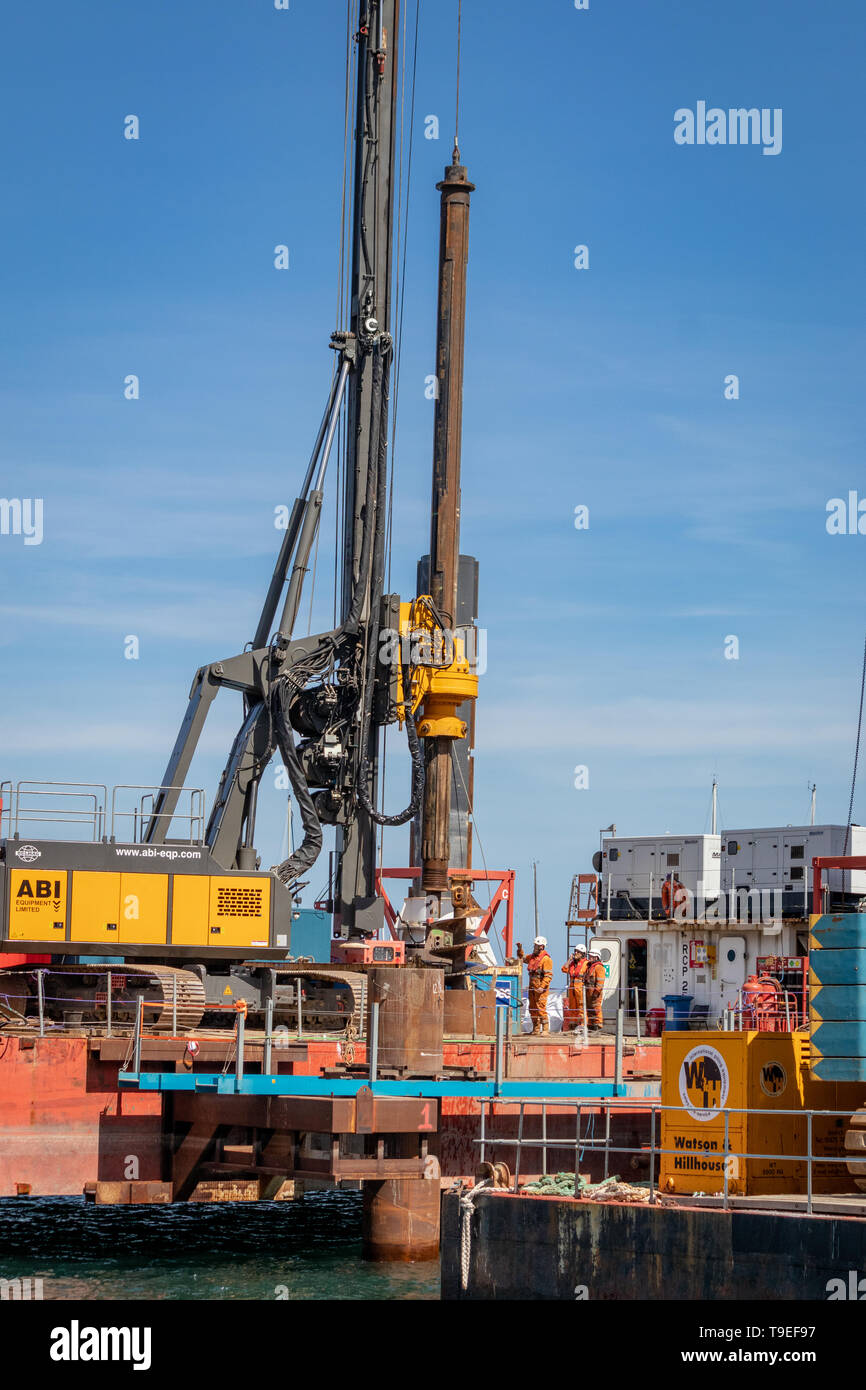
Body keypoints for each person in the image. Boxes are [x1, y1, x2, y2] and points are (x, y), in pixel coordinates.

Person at [517, 936, 553, 1035]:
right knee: (532, 1008)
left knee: (541, 1007)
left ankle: (545, 1029)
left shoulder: (546, 959)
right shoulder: (532, 957)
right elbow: (523, 958)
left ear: (541, 947)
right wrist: (520, 949)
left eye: (536, 946)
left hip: (540, 988)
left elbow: (548, 976)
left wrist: (542, 987)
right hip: (532, 986)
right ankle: (536, 1029)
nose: (534, 947)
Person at [561, 946, 587, 1031]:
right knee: (572, 1007)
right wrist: (569, 960)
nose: (575, 953)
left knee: (581, 1008)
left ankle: (582, 1025)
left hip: (581, 989)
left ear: (582, 954)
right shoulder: (572, 964)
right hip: (572, 989)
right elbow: (564, 969)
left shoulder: (586, 963)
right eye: (575, 951)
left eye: (578, 952)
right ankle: (573, 1025)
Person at [584, 951, 607, 1031]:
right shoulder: (590, 967)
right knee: (589, 1009)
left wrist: (596, 992)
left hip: (595, 993)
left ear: (596, 957)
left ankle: (598, 1026)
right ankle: (591, 1026)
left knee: (596, 1009)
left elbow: (600, 982)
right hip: (588, 992)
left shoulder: (599, 967)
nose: (589, 958)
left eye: (591, 956)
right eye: (589, 956)